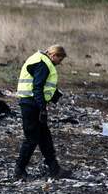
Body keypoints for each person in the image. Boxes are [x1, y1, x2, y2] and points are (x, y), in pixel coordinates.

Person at [13, 45, 72, 180]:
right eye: (60, 59)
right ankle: (19, 170)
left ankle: (55, 169)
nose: (59, 63)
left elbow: (40, 83)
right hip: (31, 105)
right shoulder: (43, 64)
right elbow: (37, 87)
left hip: (32, 103)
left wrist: (54, 94)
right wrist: (42, 108)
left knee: (45, 138)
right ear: (54, 55)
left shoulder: (40, 60)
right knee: (32, 139)